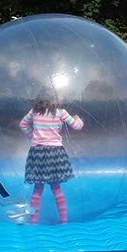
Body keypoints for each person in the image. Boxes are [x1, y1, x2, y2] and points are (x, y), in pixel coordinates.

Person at [19, 88, 84, 224]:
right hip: (55, 153)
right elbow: (77, 126)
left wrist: (33, 136)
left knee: (37, 189)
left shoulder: (34, 112)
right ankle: (63, 219)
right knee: (56, 187)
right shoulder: (61, 113)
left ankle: (34, 220)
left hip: (38, 152)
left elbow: (22, 124)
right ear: (54, 99)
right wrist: (78, 119)